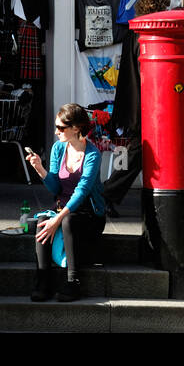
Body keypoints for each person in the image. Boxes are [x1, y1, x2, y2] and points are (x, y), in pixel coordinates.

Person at [24, 103, 107, 302]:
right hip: (63, 206)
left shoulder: (92, 154)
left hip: (88, 211)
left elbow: (83, 190)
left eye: (61, 128)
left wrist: (59, 220)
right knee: (43, 220)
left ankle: (73, 281)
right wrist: (39, 169)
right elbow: (55, 188)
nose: (56, 132)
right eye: (56, 127)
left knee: (68, 221)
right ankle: (43, 280)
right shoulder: (58, 148)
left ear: (76, 128)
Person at [101, 0, 170, 213]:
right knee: (137, 153)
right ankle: (106, 194)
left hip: (137, 103)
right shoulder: (147, 36)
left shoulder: (135, 32)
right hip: (147, 105)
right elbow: (147, 73)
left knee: (142, 153)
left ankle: (113, 194)